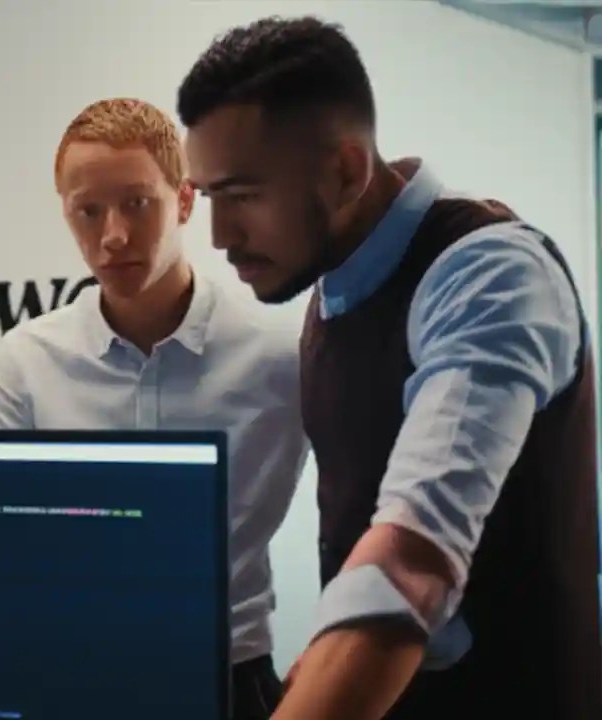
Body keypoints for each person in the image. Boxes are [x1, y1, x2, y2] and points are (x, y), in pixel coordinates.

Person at [178, 16, 600, 720]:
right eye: (211, 198)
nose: (219, 236)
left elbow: (407, 567)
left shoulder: (490, 273)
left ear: (345, 170)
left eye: (243, 195)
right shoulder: (333, 286)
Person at [0, 97, 309, 719]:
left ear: (185, 201)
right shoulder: (27, 361)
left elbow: (362, 504)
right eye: (88, 210)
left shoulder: (280, 354)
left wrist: (338, 644)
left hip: (231, 681)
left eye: (137, 203)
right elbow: (12, 544)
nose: (112, 236)